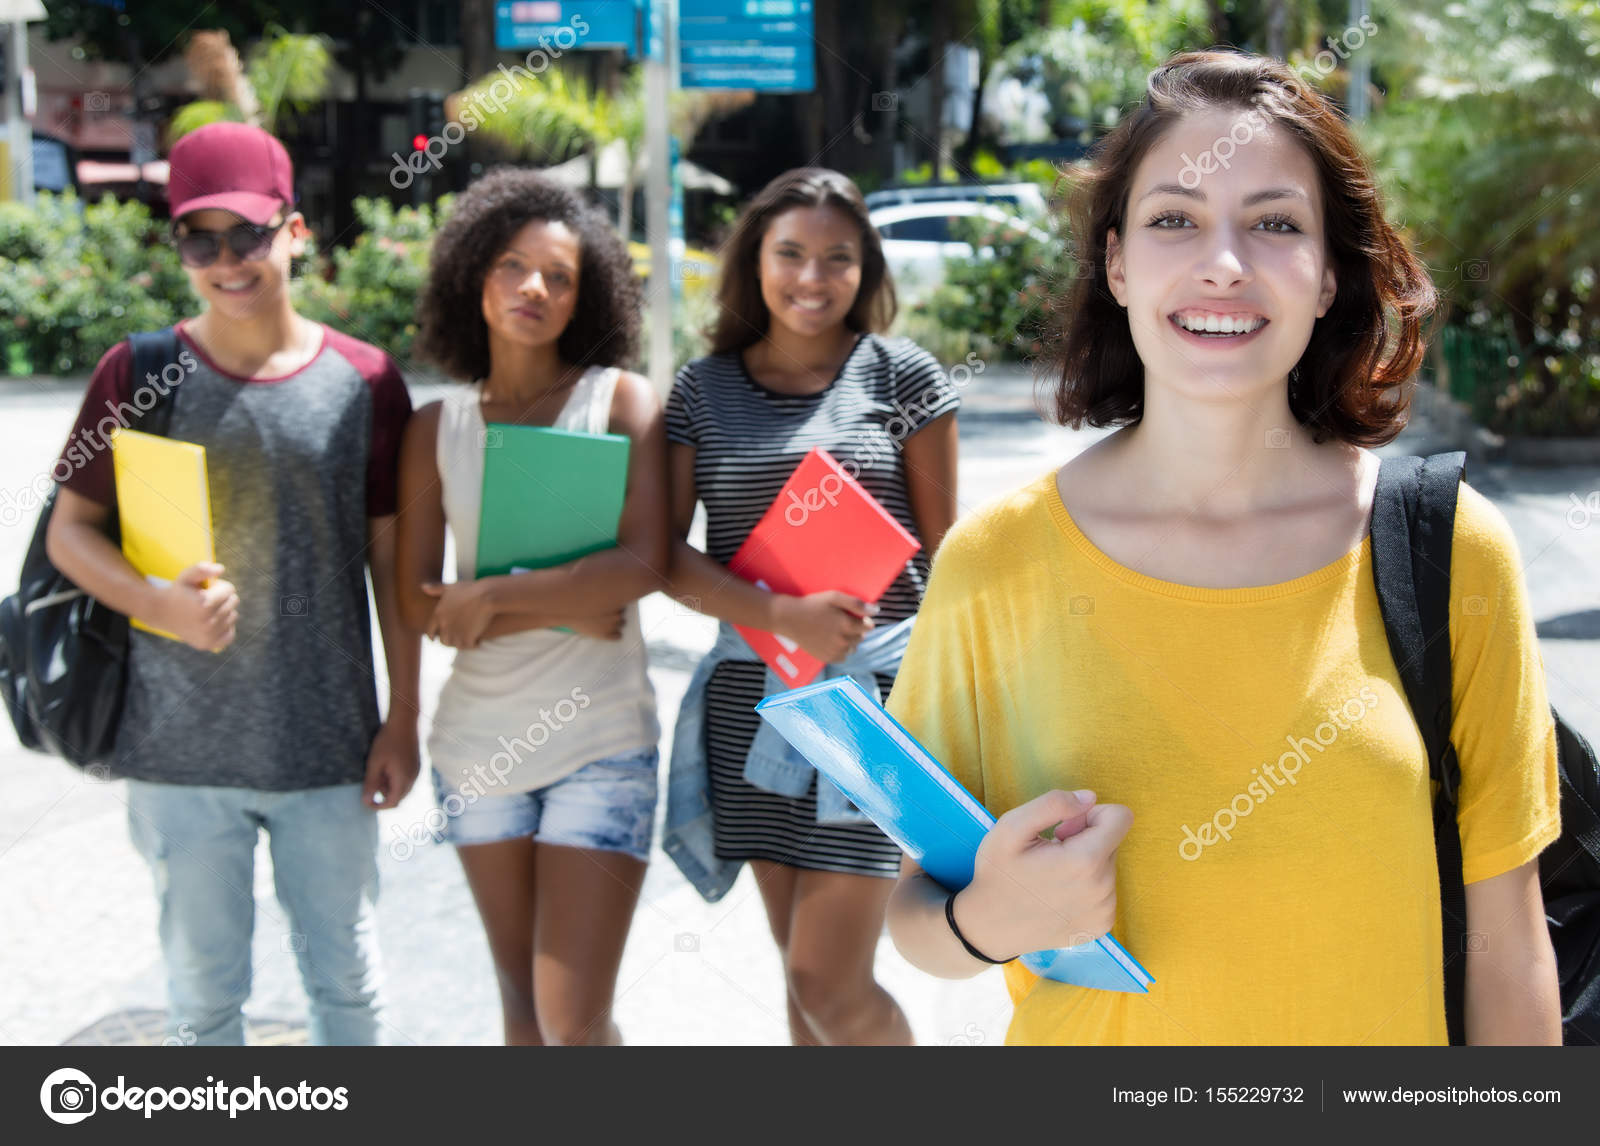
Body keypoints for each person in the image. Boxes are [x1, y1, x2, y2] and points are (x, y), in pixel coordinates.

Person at [883, 50, 1563, 1046]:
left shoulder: (1453, 550)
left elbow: (1510, 942)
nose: (1224, 263)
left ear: (1330, 274)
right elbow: (916, 920)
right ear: (1115, 261)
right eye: (1174, 219)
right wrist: (988, 921)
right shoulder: (995, 561)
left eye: (1276, 223)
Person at [45, 122, 420, 1046]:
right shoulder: (136, 372)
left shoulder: (365, 382)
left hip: (327, 747)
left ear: (295, 232)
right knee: (204, 1006)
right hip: (177, 755)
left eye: (247, 234)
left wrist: (404, 716)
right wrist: (158, 603)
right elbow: (71, 532)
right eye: (198, 239)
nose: (226, 261)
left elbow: (393, 564)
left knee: (348, 993)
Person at [662, 167, 961, 1045]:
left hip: (874, 710)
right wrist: (780, 616)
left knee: (826, 983)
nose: (812, 278)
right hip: (754, 703)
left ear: (865, 269)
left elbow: (953, 557)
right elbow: (665, 558)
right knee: (801, 987)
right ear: (754, 258)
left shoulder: (904, 378)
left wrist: (958, 702)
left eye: (837, 258)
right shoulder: (701, 389)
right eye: (789, 253)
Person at [397, 169, 665, 1046]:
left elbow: (643, 561)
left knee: (572, 1017)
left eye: (559, 276)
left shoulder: (620, 402)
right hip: (476, 747)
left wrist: (495, 599)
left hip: (601, 743)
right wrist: (565, 605)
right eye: (513, 267)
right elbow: (415, 599)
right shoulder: (436, 428)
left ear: (585, 298)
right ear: (475, 277)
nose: (534, 289)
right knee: (519, 1010)